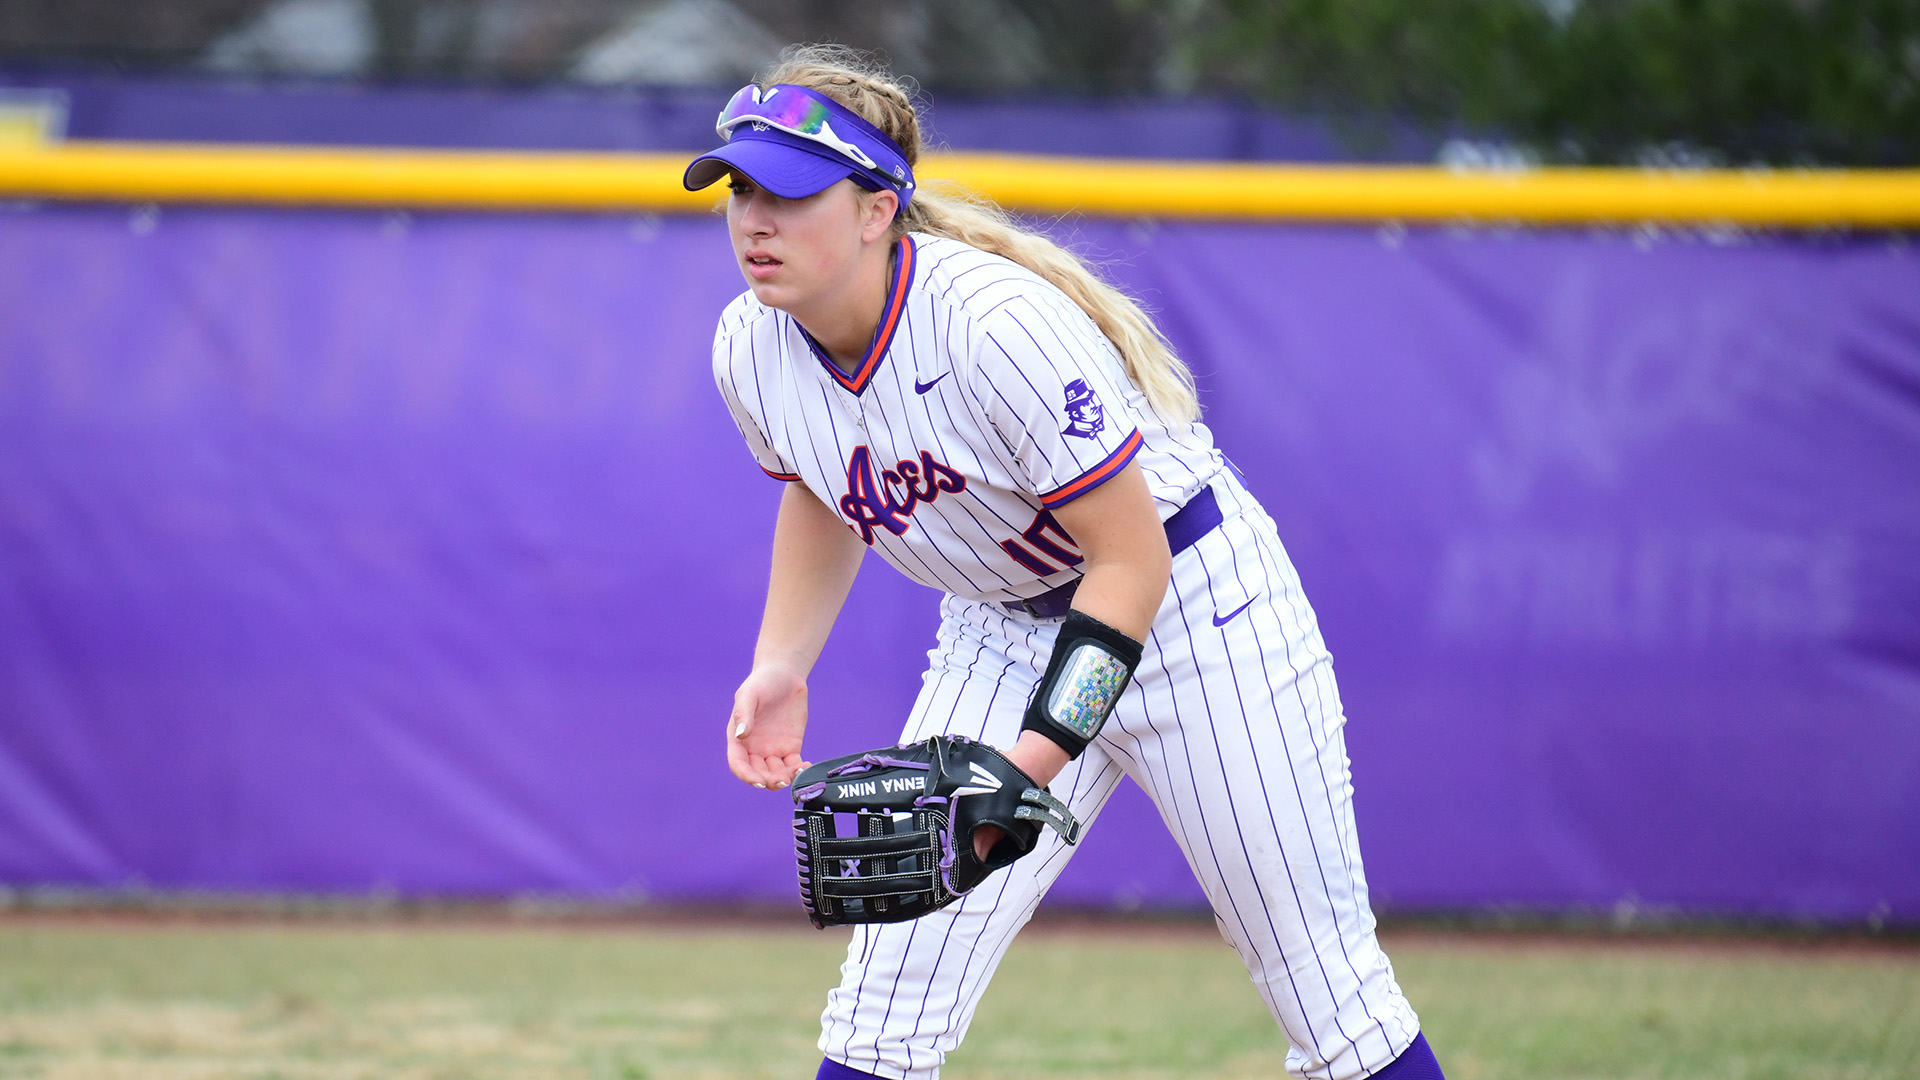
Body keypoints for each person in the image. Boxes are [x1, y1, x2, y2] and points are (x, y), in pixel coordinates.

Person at [686, 44, 1446, 1080]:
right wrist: (783, 661)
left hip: (1193, 617)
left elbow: (1128, 568)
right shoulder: (751, 344)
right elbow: (825, 486)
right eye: (739, 189)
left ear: (875, 211)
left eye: (791, 192)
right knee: (882, 1011)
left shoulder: (993, 325)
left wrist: (1019, 770)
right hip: (1000, 630)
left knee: (1331, 999)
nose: (754, 219)